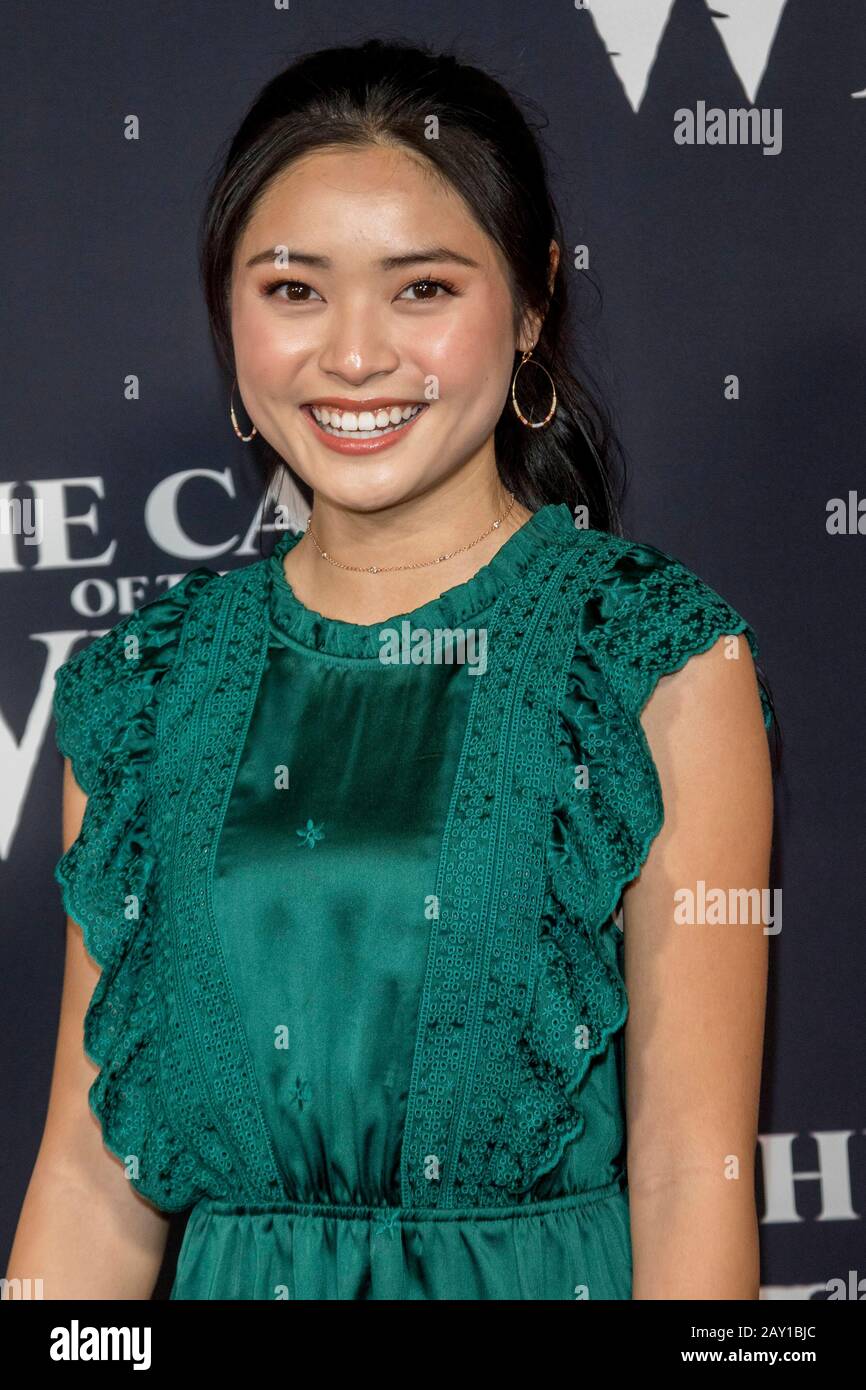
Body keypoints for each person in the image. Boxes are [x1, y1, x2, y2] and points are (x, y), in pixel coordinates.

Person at [8, 38, 776, 1300]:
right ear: (227, 314)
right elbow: (92, 1188)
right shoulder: (143, 694)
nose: (353, 355)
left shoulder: (650, 658)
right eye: (293, 290)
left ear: (529, 303)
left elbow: (696, 1175)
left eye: (421, 289)